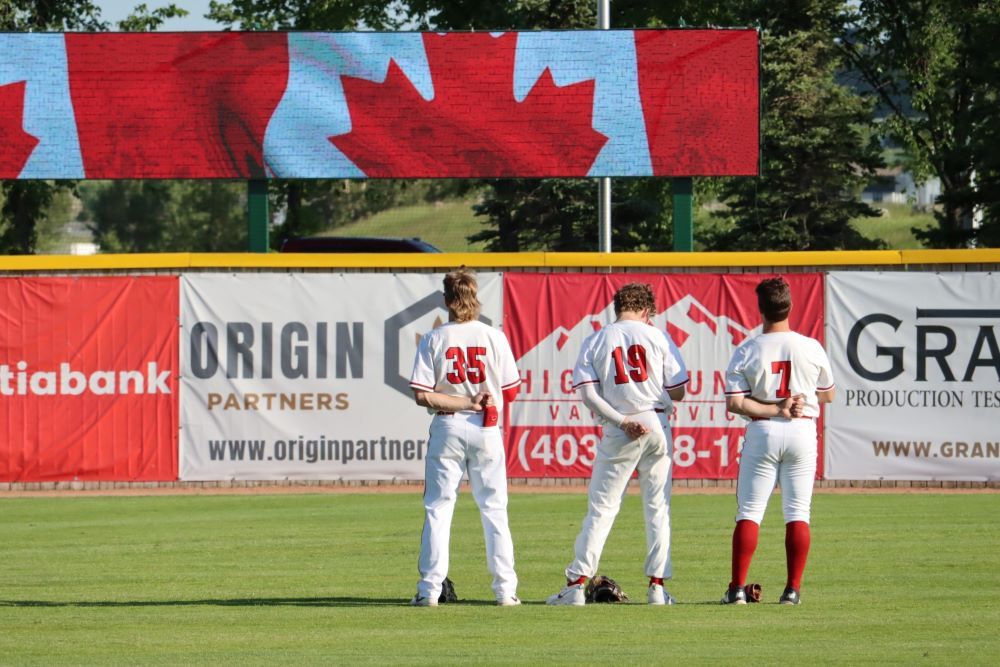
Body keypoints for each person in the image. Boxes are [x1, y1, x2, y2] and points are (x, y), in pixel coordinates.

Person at [547, 282, 688, 606]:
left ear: (619, 308)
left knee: (602, 509)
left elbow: (588, 394)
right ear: (645, 311)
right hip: (656, 423)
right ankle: (656, 587)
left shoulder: (597, 339)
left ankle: (575, 585)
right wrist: (659, 398)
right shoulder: (658, 336)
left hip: (620, 427)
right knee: (658, 508)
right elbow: (679, 389)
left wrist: (622, 421)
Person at [408, 269, 522, 607]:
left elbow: (423, 396)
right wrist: (476, 401)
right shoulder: (493, 336)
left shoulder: (434, 338)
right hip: (486, 427)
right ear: (475, 298)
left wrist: (462, 401)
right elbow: (511, 392)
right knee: (495, 509)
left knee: (439, 509)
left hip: (448, 426)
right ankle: (505, 590)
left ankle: (429, 590)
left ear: (446, 301)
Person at [720, 276, 835, 606]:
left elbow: (736, 403)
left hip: (763, 431)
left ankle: (737, 590)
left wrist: (774, 407)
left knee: (750, 512)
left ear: (760, 310)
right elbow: (828, 394)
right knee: (798, 512)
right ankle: (792, 590)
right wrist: (795, 401)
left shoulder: (748, 349)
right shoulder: (811, 346)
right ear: (790, 306)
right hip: (802, 430)